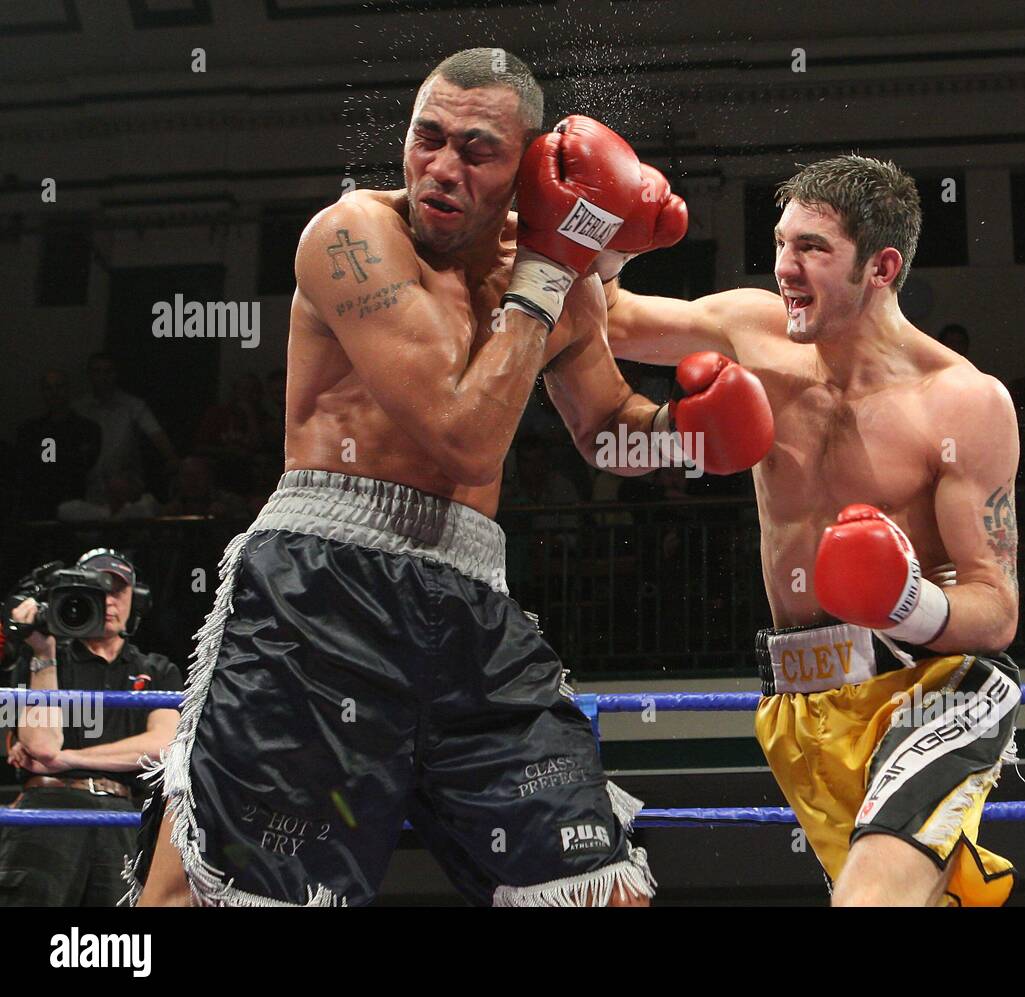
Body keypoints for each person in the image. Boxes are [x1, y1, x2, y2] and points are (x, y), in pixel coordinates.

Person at [130, 48, 768, 908]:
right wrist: (548, 266)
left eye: (477, 150)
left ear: (528, 168)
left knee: (600, 891)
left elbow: (605, 428)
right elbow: (463, 434)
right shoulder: (353, 235)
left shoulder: (562, 285)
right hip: (323, 587)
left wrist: (688, 438)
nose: (441, 167)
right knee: (223, 897)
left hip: (470, 602)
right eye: (426, 138)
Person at [603, 155, 1022, 906]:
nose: (784, 268)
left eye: (812, 249)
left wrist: (907, 602)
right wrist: (606, 231)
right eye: (780, 243)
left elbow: (997, 606)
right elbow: (609, 320)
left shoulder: (963, 402)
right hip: (800, 703)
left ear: (882, 266)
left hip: (932, 687)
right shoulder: (751, 331)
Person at [0, 551, 181, 906]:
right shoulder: (44, 657)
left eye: (117, 590)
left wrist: (68, 758)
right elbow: (41, 745)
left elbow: (163, 745)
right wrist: (43, 648)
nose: (108, 601)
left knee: (114, 949)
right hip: (49, 805)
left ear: (136, 599)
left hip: (122, 813)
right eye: (95, 590)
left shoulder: (156, 668)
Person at [74, 353, 179, 504]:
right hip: (88, 487)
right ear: (89, 375)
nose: (102, 377)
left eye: (108, 371)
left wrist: (171, 457)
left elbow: (155, 433)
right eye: (97, 371)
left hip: (125, 487)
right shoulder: (80, 409)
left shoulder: (133, 406)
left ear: (115, 374)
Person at [13, 369, 101, 519]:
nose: (54, 392)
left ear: (68, 390)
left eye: (59, 386)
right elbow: (26, 470)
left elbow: (82, 466)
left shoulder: (88, 429)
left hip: (75, 506)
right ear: (42, 392)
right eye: (49, 388)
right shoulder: (29, 431)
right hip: (38, 507)